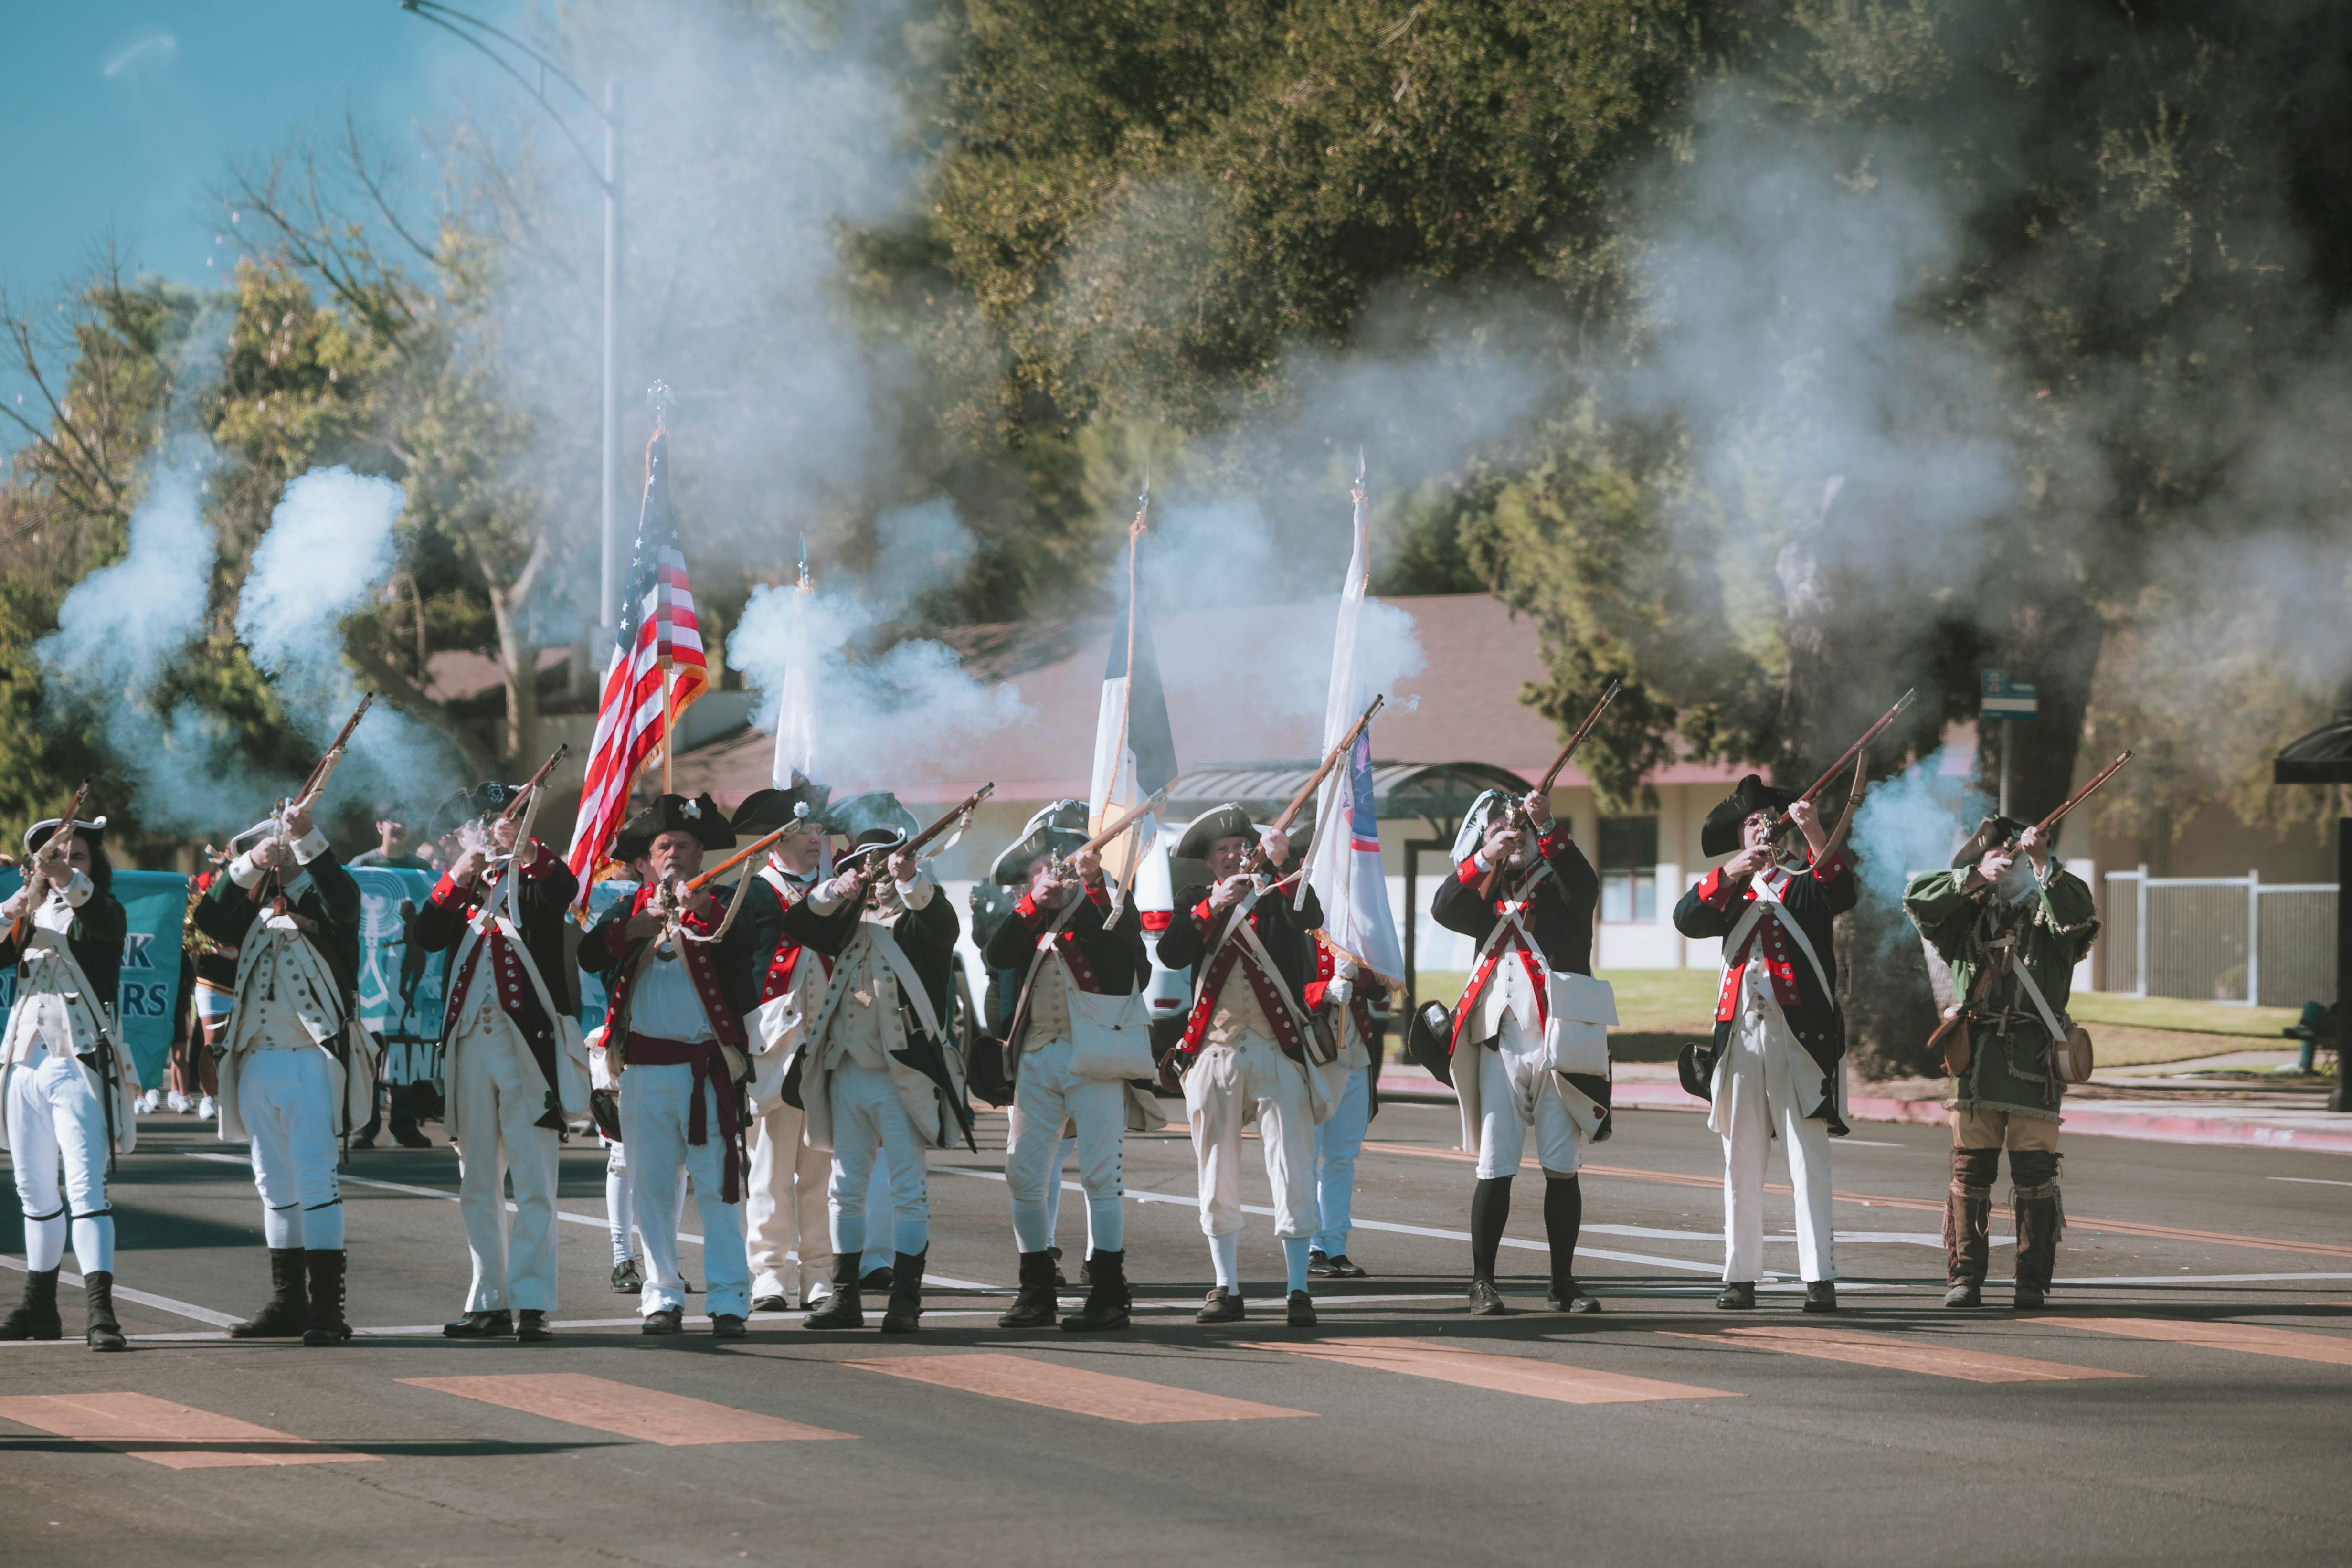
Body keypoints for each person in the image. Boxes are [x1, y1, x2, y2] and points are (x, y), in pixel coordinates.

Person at [782, 792, 974, 1334]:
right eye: (865, 863)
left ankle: (905, 1300)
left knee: (909, 1188)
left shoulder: (920, 916)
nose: (876, 871)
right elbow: (798, 925)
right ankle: (844, 1295)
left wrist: (910, 877)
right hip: (846, 1071)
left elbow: (942, 925)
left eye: (883, 860)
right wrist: (833, 889)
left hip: (901, 1074)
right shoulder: (845, 917)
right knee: (845, 1188)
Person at [1672, 775, 1855, 1313]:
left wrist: (1815, 831)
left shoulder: (1804, 879)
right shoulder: (1730, 889)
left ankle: (1819, 1277)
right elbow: (1686, 918)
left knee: (1809, 1161)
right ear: (1740, 836)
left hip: (1800, 1041)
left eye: (1767, 820)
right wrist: (1733, 870)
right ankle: (1741, 1276)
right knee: (1741, 1163)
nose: (1760, 827)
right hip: (1740, 1041)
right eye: (1751, 823)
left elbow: (1841, 891)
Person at [409, 784, 585, 1343]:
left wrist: (527, 851)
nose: (486, 830)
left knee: (534, 1182)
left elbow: (562, 890)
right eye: (476, 824)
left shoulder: (531, 879)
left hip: (528, 1047)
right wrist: (458, 875)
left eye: (495, 821)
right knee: (478, 1181)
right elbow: (427, 935)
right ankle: (487, 1299)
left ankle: (531, 1300)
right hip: (470, 1046)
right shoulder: (461, 887)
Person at [576, 793, 756, 1337]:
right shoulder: (628, 910)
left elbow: (746, 950)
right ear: (645, 862)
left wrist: (703, 909)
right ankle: (661, 1295)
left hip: (708, 1073)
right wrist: (637, 927)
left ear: (701, 855)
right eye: (663, 846)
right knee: (651, 1192)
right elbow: (589, 954)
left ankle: (729, 1299)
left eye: (683, 845)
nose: (674, 853)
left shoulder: (722, 904)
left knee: (720, 1191)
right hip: (644, 1073)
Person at [1903, 816, 2099, 1310]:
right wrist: (1974, 877)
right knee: (1970, 1173)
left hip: (2036, 1062)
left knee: (2036, 1174)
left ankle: (2031, 1281)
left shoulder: (2050, 916)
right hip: (1974, 1061)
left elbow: (2078, 914)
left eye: (2014, 857)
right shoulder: (1964, 918)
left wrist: (2043, 861)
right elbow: (1919, 899)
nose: (2006, 862)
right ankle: (1965, 1277)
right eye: (1996, 856)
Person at [194, 801, 370, 1346]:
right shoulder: (250, 906)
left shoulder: (324, 898)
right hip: (256, 1061)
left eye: (283, 844)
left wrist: (307, 836)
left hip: (311, 1058)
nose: (279, 852)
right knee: (273, 1184)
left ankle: (326, 1308)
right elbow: (208, 920)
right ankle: (288, 1301)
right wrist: (250, 862)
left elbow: (343, 898)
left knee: (316, 1179)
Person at [1425, 788, 1606, 1314]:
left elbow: (1584, 886)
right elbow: (1443, 908)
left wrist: (1545, 825)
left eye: (1521, 829)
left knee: (1561, 1168)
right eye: (1503, 830)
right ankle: (1482, 1282)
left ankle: (1562, 1282)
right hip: (1499, 1043)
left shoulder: (1560, 884)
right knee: (1495, 1165)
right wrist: (1487, 856)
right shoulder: (1481, 892)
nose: (1515, 837)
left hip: (1557, 1044)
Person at [1155, 805, 1335, 1328]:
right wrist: (1213, 905)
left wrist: (1282, 866)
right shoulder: (1195, 900)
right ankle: (1226, 1286)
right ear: (1211, 860)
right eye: (1223, 850)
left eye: (1240, 846)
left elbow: (1310, 917)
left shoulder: (1279, 890)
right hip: (1215, 1053)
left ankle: (1298, 1289)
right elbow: (1171, 953)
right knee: (1217, 1173)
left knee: (1293, 1170)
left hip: (1278, 1050)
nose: (1233, 855)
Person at [984, 802, 1155, 1333]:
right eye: (1042, 866)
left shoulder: (1106, 908)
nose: (1050, 872)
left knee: (1102, 1177)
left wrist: (1094, 885)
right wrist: (1033, 905)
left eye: (1059, 863)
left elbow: (1128, 953)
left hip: (1095, 1059)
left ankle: (1108, 1291)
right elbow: (997, 956)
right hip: (1037, 1058)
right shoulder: (1028, 913)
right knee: (1023, 1174)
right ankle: (1036, 1289)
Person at [0, 815, 136, 1349]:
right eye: (56, 857)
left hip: (80, 1064)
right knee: (33, 1191)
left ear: (92, 865)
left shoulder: (100, 909)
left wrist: (61, 876)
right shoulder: (27, 916)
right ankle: (39, 1307)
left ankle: (101, 1312)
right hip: (23, 1064)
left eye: (77, 856)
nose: (66, 864)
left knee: (86, 1190)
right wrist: (10, 908)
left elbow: (103, 922)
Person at [731, 782, 839, 1313]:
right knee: (770, 1170)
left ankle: (819, 1274)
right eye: (804, 830)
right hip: (773, 1047)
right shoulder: (751, 893)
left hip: (826, 1047)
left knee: (820, 1173)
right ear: (778, 839)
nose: (816, 839)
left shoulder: (838, 890)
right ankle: (769, 1273)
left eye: (818, 829)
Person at [350, 805, 431, 870]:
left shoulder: (422, 867)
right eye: (394, 819)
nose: (400, 826)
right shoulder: (362, 864)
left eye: (405, 821)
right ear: (380, 828)